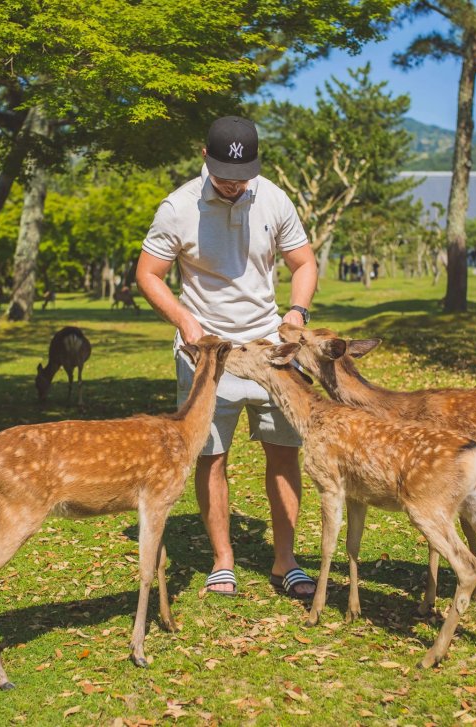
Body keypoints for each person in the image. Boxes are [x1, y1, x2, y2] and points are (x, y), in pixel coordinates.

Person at [135, 115, 318, 601]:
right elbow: (148, 273)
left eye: (242, 175)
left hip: (269, 352)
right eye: (224, 176)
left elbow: (303, 262)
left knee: (284, 453)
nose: (235, 185)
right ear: (205, 158)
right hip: (208, 355)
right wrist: (184, 320)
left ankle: (285, 560)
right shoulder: (177, 207)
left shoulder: (274, 198)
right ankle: (223, 561)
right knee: (212, 457)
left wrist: (297, 312)